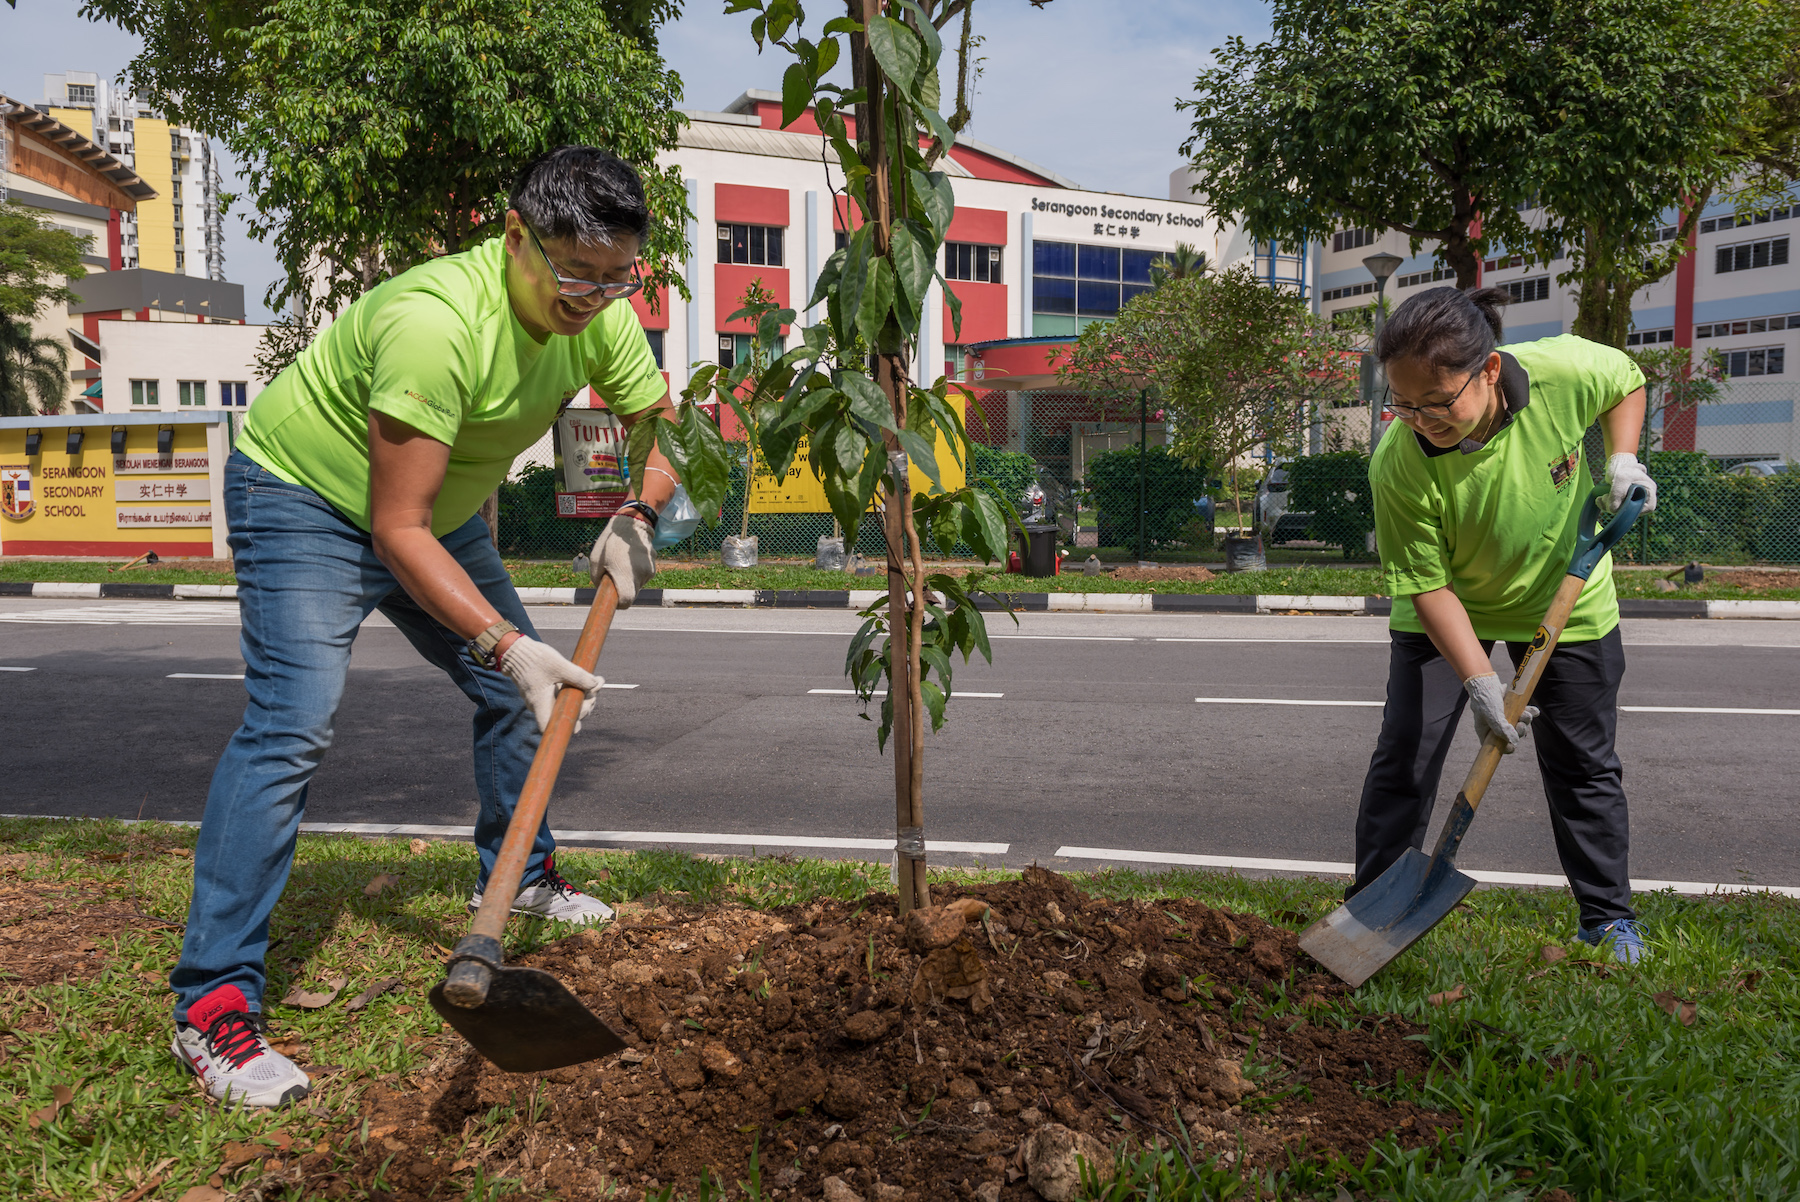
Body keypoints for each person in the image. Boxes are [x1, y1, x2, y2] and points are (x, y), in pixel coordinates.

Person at [168, 146, 680, 1108]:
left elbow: (661, 425)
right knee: (293, 726)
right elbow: (392, 528)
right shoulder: (436, 324)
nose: (596, 295)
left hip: (432, 515)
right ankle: (210, 1008)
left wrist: (636, 514)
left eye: (618, 277)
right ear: (516, 235)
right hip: (305, 498)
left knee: (517, 701)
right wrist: (505, 640)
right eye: (575, 271)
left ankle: (522, 878)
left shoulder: (602, 315)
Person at [1351, 286, 1657, 965]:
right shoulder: (1397, 462)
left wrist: (1622, 457)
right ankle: (1371, 908)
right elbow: (1427, 585)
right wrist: (1479, 679)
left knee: (1583, 763)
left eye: (1436, 402)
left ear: (1489, 371)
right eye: (1401, 404)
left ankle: (1606, 919)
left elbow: (1626, 380)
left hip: (1566, 595)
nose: (1418, 419)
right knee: (1407, 754)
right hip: (1447, 604)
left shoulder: (1560, 372)